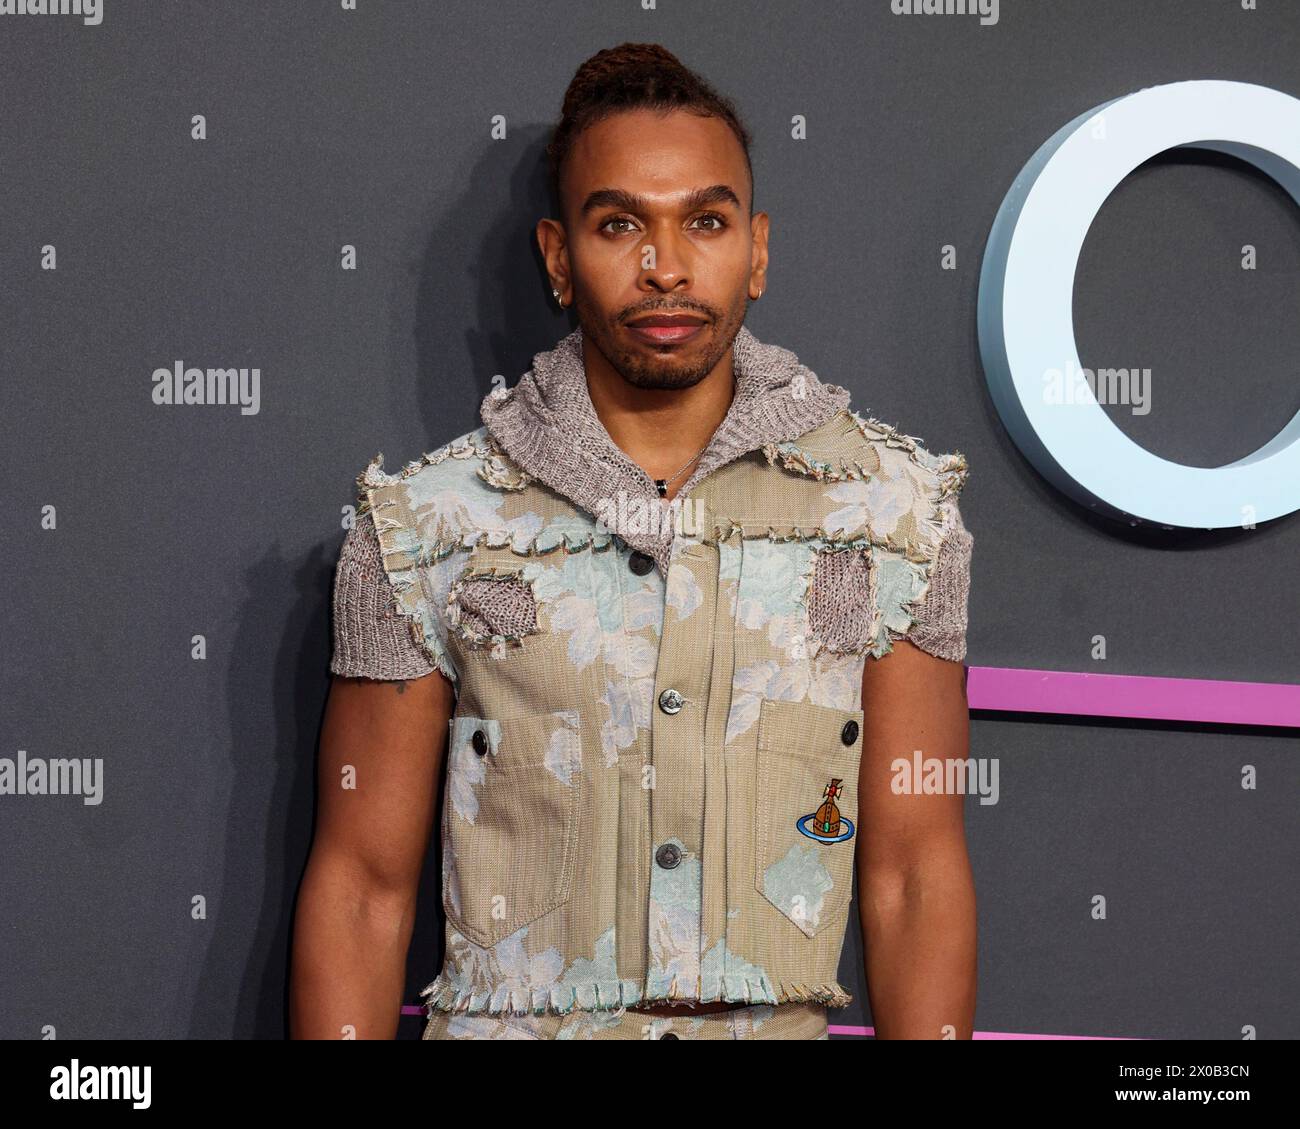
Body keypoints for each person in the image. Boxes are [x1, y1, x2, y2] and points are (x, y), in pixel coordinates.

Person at [290, 41, 977, 1042]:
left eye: (705, 220)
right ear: (559, 259)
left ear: (759, 250)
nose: (665, 266)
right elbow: (360, 887)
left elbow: (916, 872)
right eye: (620, 224)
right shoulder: (421, 526)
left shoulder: (896, 513)